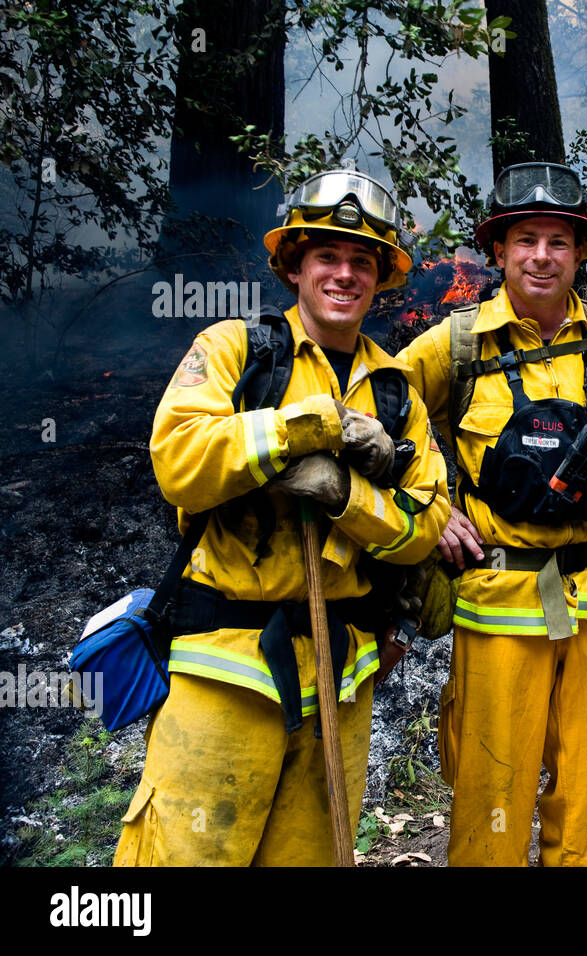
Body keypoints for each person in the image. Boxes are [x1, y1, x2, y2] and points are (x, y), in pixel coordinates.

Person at [115, 169, 450, 866]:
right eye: (327, 256)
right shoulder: (237, 351)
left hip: (340, 679)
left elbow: (425, 527)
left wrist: (345, 497)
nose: (345, 274)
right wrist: (305, 427)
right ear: (294, 265)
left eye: (364, 261)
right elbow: (178, 461)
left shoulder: (396, 390)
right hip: (223, 671)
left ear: (382, 277)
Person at [398, 162, 587, 867]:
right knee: (490, 801)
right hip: (498, 604)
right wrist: (430, 506)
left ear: (582, 252)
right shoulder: (455, 346)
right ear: (499, 251)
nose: (542, 257)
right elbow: (375, 409)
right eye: (525, 240)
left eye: (558, 242)